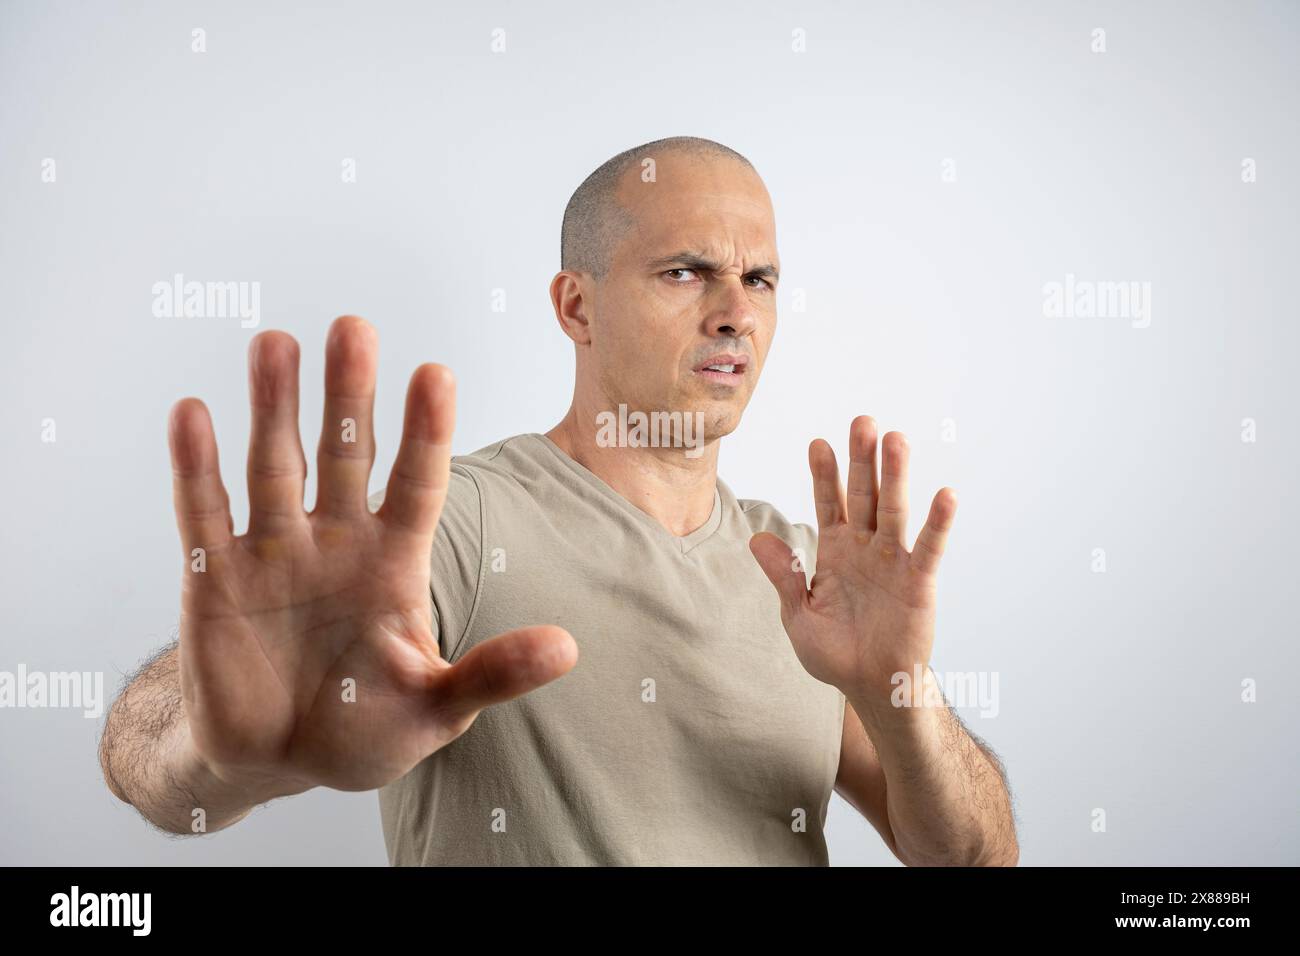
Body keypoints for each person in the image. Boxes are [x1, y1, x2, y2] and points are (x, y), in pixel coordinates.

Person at [99, 136, 1018, 866]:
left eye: (761, 279)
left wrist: (902, 695)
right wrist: (230, 758)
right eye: (687, 272)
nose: (736, 310)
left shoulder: (805, 575)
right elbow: (146, 760)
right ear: (576, 307)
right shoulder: (461, 522)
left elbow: (975, 860)